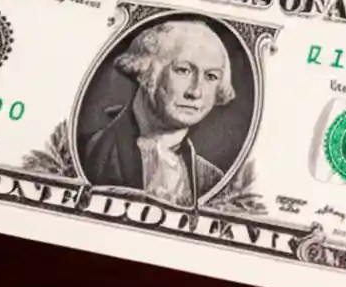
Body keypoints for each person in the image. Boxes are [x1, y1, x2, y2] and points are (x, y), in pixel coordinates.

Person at [79, 19, 236, 205]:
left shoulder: (214, 182)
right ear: (146, 72)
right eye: (183, 70)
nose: (195, 92)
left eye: (211, 76)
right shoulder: (86, 152)